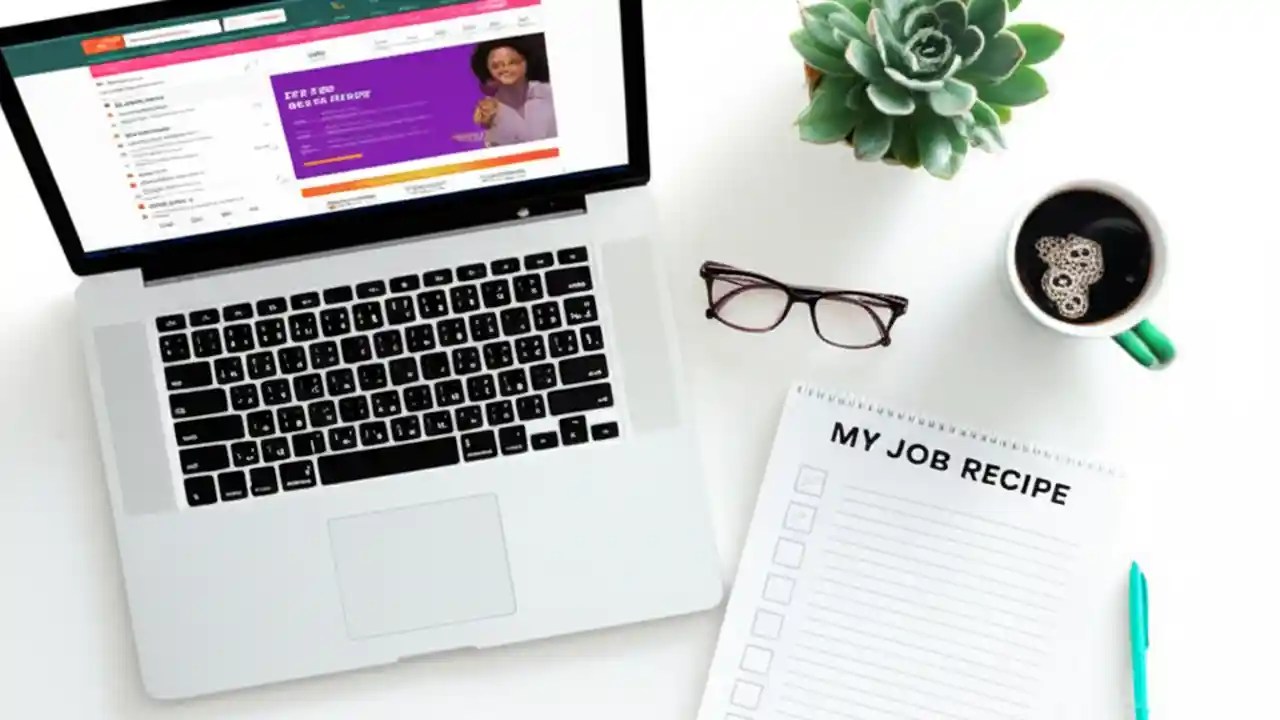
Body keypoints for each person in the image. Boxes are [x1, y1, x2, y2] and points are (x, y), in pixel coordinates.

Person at [470, 37, 557, 147]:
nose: (505, 69)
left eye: (512, 62)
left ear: (526, 62)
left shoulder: (551, 92)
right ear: (488, 70)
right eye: (496, 66)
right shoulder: (488, 112)